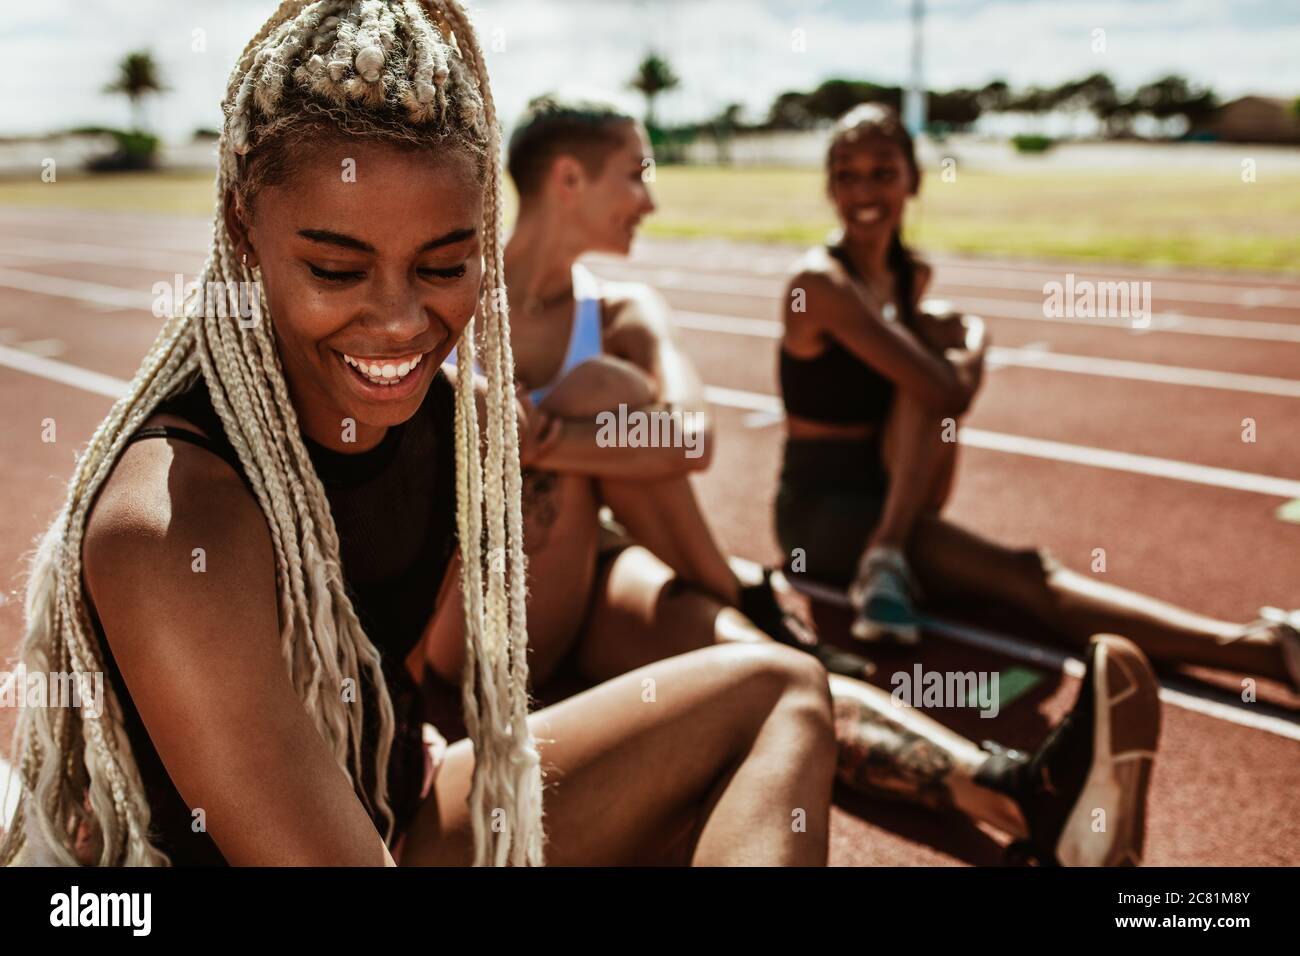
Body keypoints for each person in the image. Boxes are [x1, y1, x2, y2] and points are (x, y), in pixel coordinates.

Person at [0, 0, 839, 868]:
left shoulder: (451, 428)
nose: (401, 324)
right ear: (245, 227)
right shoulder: (170, 526)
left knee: (779, 691)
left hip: (395, 814)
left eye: (444, 266)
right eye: (336, 268)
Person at [423, 93, 1163, 866]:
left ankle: (1019, 792)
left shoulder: (622, 312)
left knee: (771, 673)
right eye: (636, 175)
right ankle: (731, 585)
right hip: (476, 607)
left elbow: (690, 437)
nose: (652, 198)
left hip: (606, 571)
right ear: (569, 180)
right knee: (602, 395)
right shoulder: (450, 291)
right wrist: (496, 423)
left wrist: (537, 436)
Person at [775, 102, 1300, 695]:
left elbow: (936, 395)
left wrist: (947, 335)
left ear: (913, 181)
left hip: (895, 487)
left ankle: (890, 550)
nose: (863, 190)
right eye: (846, 175)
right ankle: (1267, 654)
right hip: (819, 512)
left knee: (931, 346)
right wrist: (977, 338)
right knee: (1026, 576)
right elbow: (946, 393)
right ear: (829, 188)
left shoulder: (910, 277)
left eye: (882, 172)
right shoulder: (819, 283)